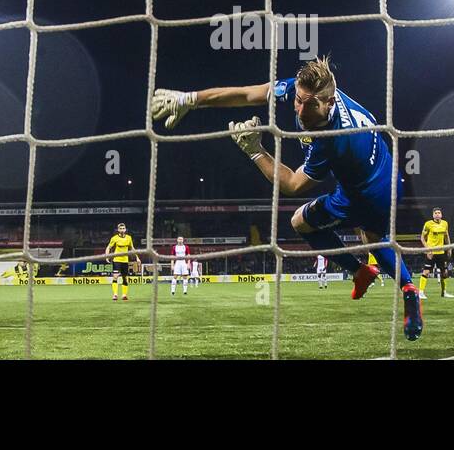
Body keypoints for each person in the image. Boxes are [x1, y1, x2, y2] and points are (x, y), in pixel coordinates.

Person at [151, 56, 424, 340]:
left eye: (310, 105)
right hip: (383, 169)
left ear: (329, 104)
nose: (301, 110)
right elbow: (248, 94)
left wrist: (256, 151)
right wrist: (190, 99)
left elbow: (293, 185)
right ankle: (389, 282)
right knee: (359, 234)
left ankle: (385, 281)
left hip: (368, 193)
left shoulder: (332, 139)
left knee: (324, 227)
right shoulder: (309, 90)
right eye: (299, 100)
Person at [420, 208, 454, 299]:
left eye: (439, 213)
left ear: (441, 214)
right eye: (436, 213)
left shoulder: (445, 223)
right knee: (426, 272)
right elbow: (422, 238)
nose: (437, 214)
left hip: (441, 252)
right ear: (433, 215)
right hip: (431, 252)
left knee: (444, 273)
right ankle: (421, 292)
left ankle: (444, 292)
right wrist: (427, 249)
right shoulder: (428, 224)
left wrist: (449, 248)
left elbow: (446, 236)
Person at [105, 223, 141, 301]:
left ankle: (124, 295)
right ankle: (115, 295)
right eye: (120, 228)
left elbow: (132, 248)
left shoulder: (129, 238)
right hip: (117, 260)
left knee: (125, 278)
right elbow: (108, 247)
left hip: (125, 260)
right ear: (118, 230)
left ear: (125, 229)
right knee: (115, 276)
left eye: (123, 228)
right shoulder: (114, 238)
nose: (122, 230)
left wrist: (137, 258)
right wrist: (107, 256)